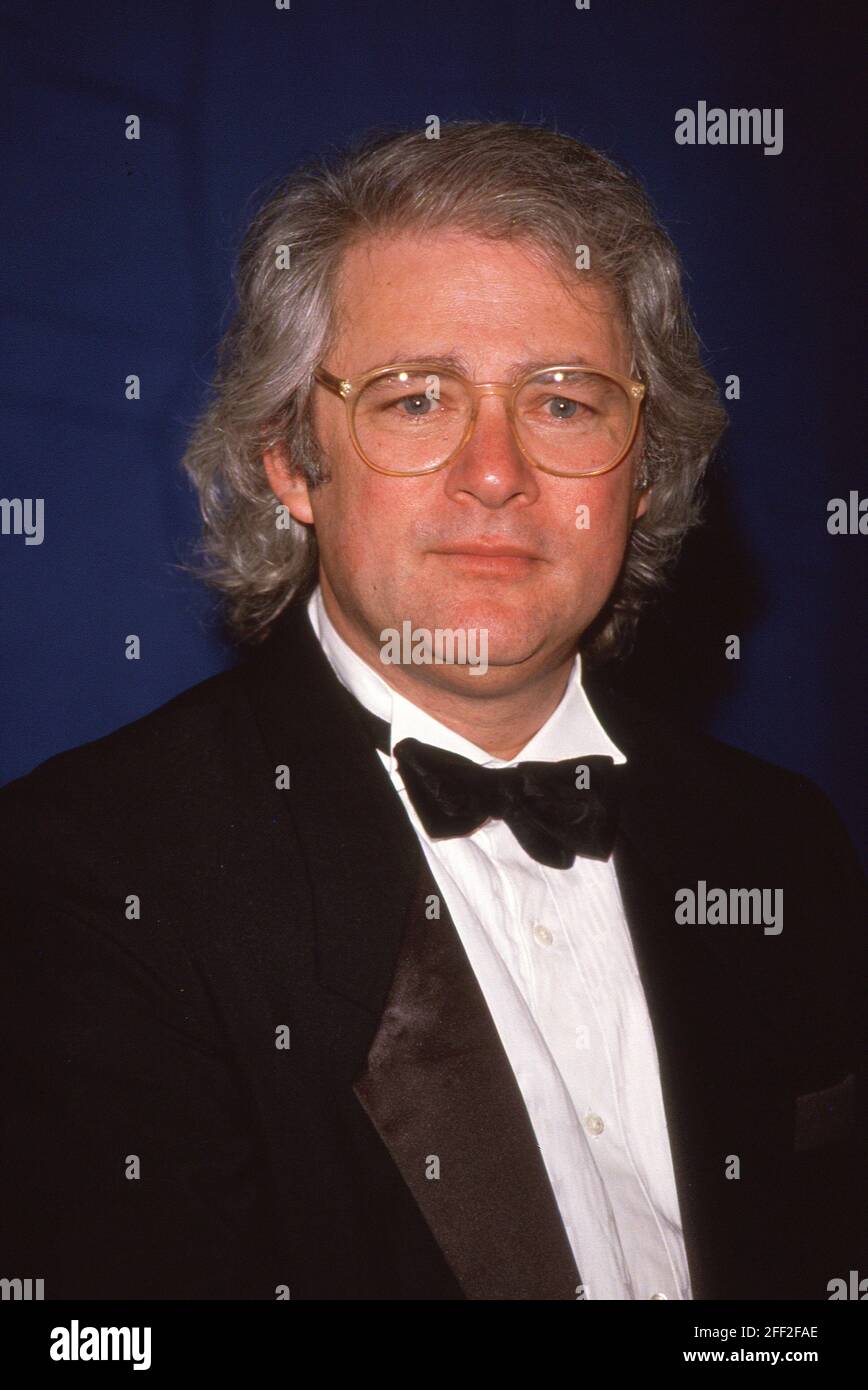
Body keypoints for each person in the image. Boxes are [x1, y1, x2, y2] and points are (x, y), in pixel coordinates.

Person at [0, 122, 863, 1301]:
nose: (495, 470)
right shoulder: (90, 873)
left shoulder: (782, 840)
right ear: (291, 461)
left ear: (643, 468)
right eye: (415, 401)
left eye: (563, 402)